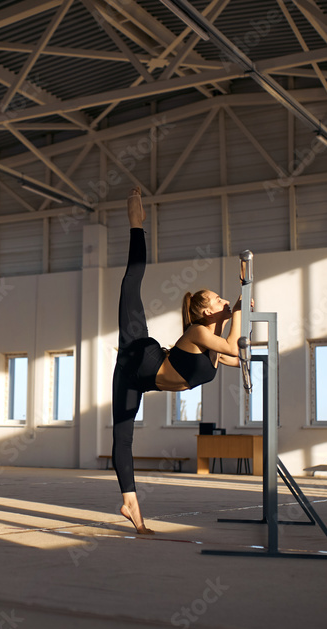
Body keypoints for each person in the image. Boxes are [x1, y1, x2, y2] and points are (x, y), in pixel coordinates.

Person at [113, 186, 245, 534]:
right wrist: (239, 309)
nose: (223, 301)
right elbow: (234, 348)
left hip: (140, 379)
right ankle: (136, 222)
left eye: (222, 298)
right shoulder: (198, 332)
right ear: (206, 312)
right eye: (218, 299)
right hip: (136, 351)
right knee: (131, 282)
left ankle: (131, 509)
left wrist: (242, 314)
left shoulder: (211, 346)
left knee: (123, 437)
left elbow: (237, 357)